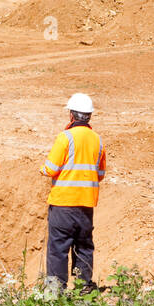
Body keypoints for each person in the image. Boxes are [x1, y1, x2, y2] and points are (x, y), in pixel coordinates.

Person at [41, 93, 106, 292]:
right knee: (84, 247)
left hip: (63, 205)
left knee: (57, 250)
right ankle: (83, 287)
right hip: (86, 206)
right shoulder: (97, 140)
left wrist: (43, 170)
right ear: (89, 116)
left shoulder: (65, 137)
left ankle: (54, 292)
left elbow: (50, 168)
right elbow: (100, 174)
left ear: (71, 115)